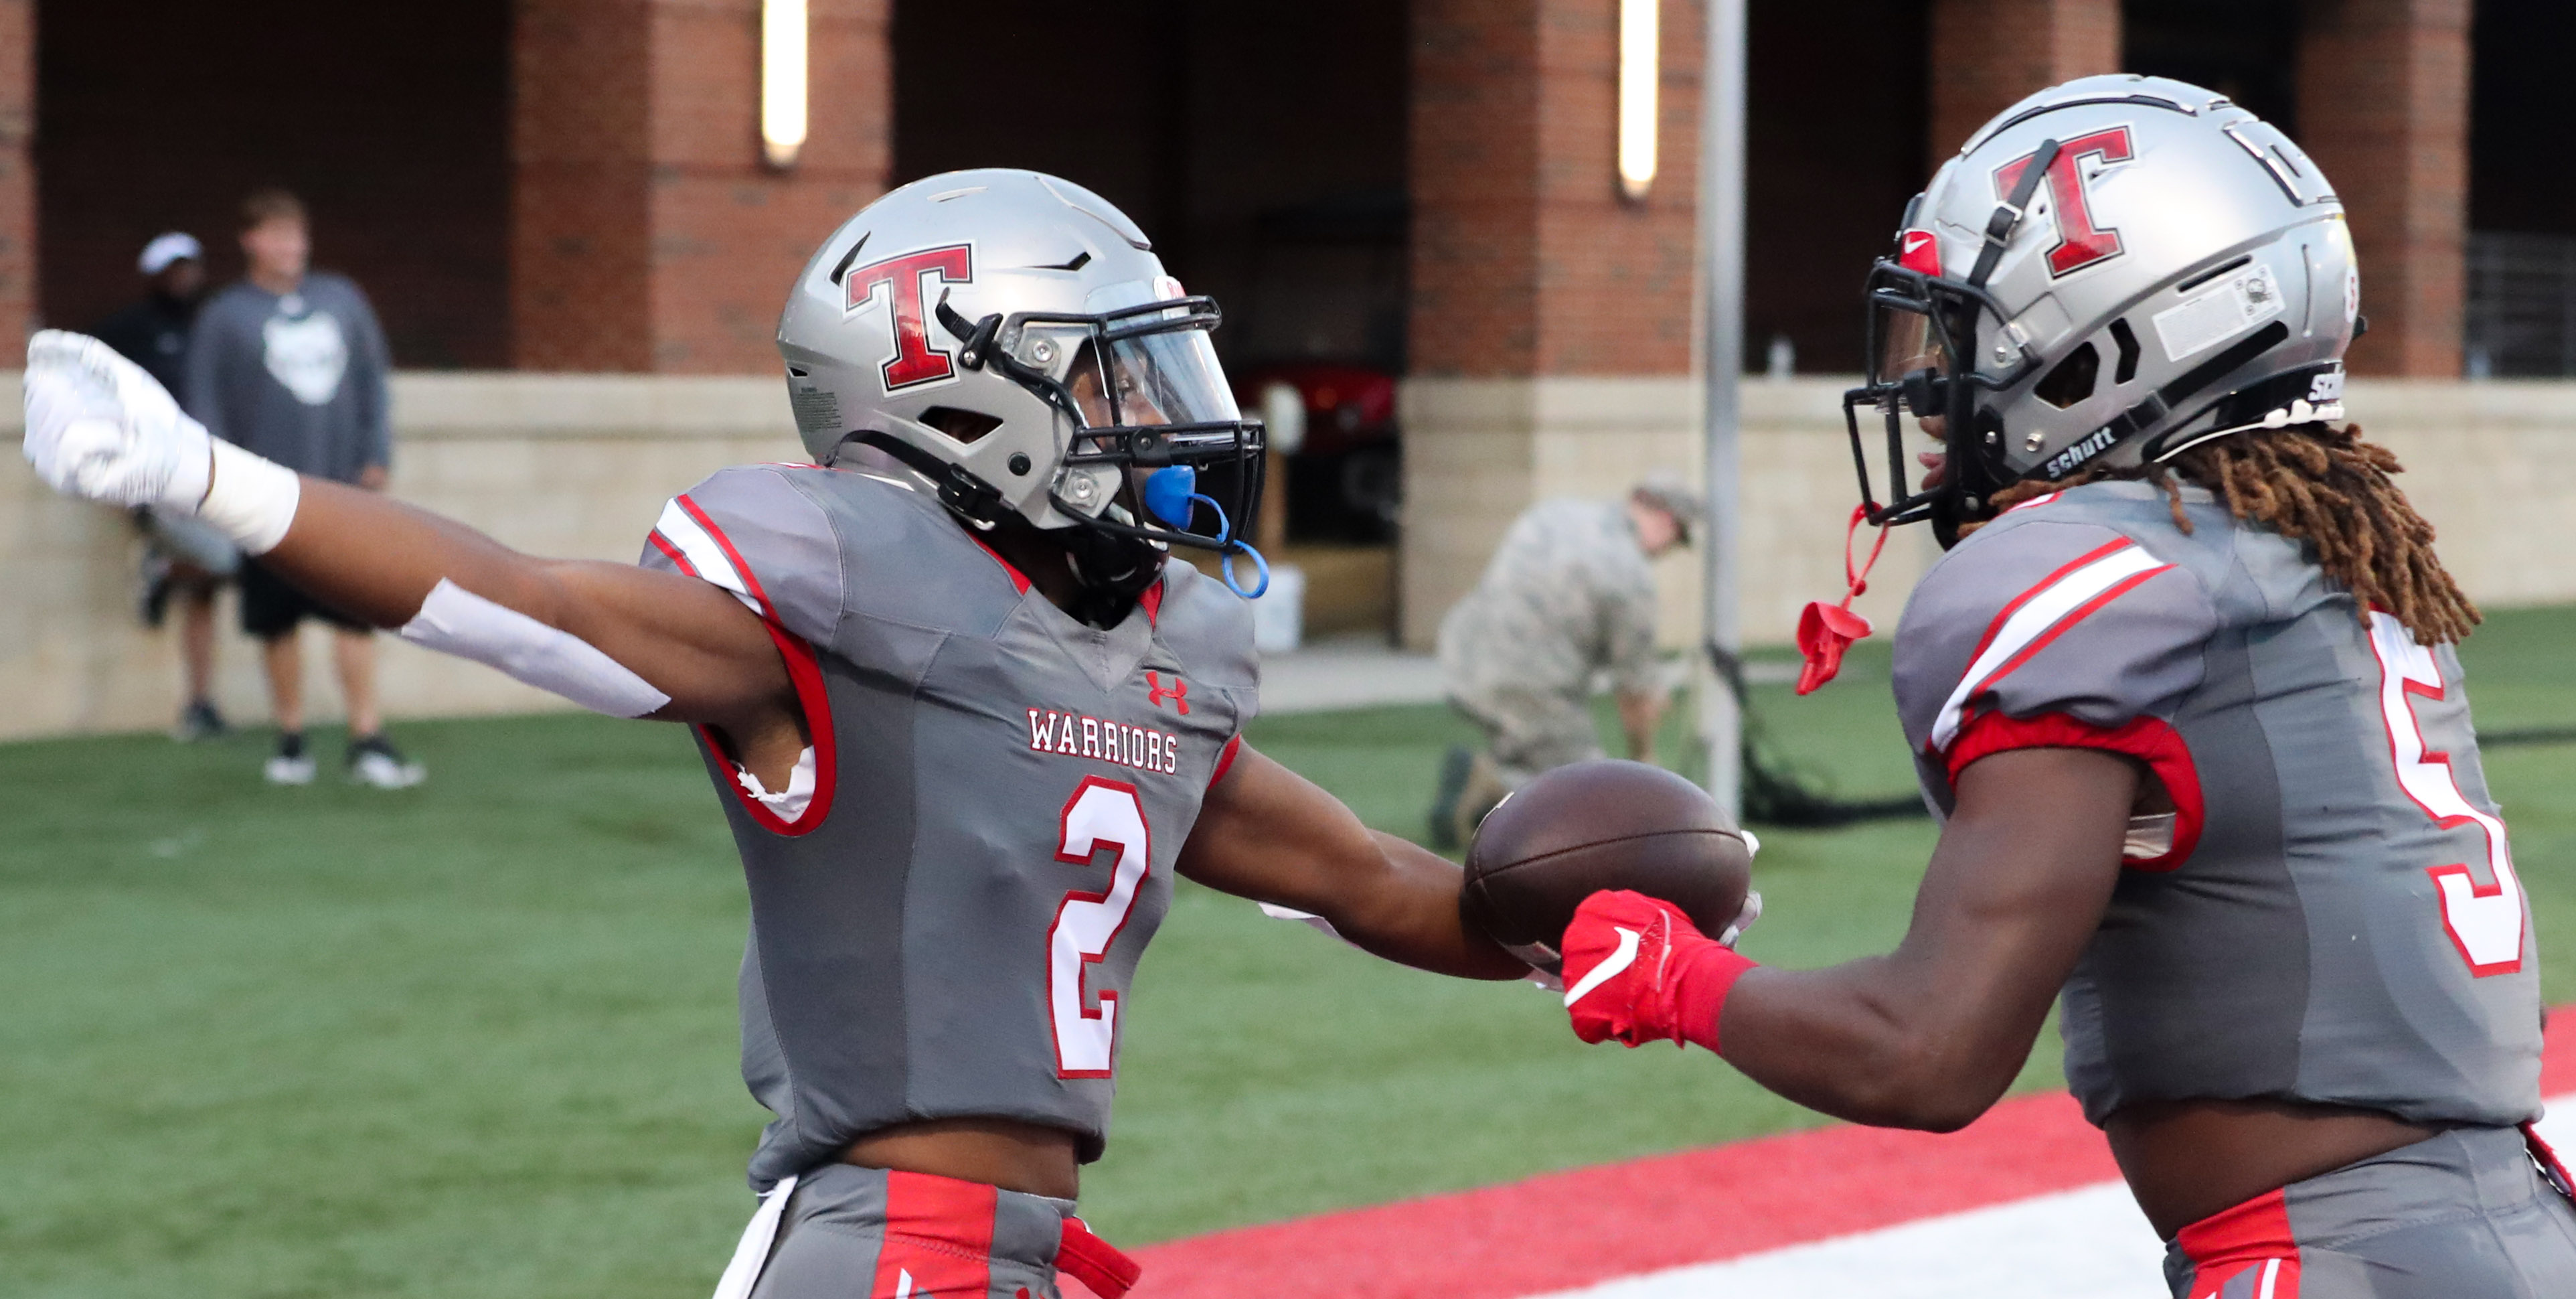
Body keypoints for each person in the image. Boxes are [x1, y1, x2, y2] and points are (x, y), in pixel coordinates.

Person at [23, 169, 1537, 1299]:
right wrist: (204, 472)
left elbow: (1374, 882)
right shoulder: (831, 610)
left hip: (1015, 1255)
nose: (1155, 417)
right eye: (1105, 374)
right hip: (883, 1247)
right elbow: (522, 599)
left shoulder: (1121, 668)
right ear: (955, 393)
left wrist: (1620, 937)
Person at [1555, 75, 2575, 1298]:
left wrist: (1674, 976)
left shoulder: (2090, 581)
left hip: (2340, 1257)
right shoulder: (2295, 553)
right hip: (2492, 1227)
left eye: (1968, 342)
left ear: (2116, 343)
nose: (1930, 396)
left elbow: (1924, 1053)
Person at [183, 189, 418, 787]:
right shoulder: (225, 315)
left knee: (355, 614)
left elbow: (372, 380)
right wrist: (219, 481)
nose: (290, 248)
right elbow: (205, 406)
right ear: (250, 240)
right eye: (276, 236)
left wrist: (375, 455)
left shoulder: (341, 300)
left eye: (297, 236)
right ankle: (291, 738)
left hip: (342, 489)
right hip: (266, 496)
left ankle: (367, 736)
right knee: (277, 620)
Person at [1426, 475, 1701, 848]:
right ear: (1667, 522)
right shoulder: (1631, 578)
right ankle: (1493, 784)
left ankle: (1505, 782)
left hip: (1462, 657)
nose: (1665, 553)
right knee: (1587, 794)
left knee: (1537, 744)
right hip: (1531, 685)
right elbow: (1636, 698)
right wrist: (1645, 761)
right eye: (1675, 541)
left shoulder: (1556, 513)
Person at [93, 231, 232, 740]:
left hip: (208, 470)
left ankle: (200, 702)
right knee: (223, 561)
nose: (185, 278)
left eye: (190, 267)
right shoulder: (130, 330)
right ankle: (162, 562)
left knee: (206, 587)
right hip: (155, 475)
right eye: (174, 270)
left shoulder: (208, 327)